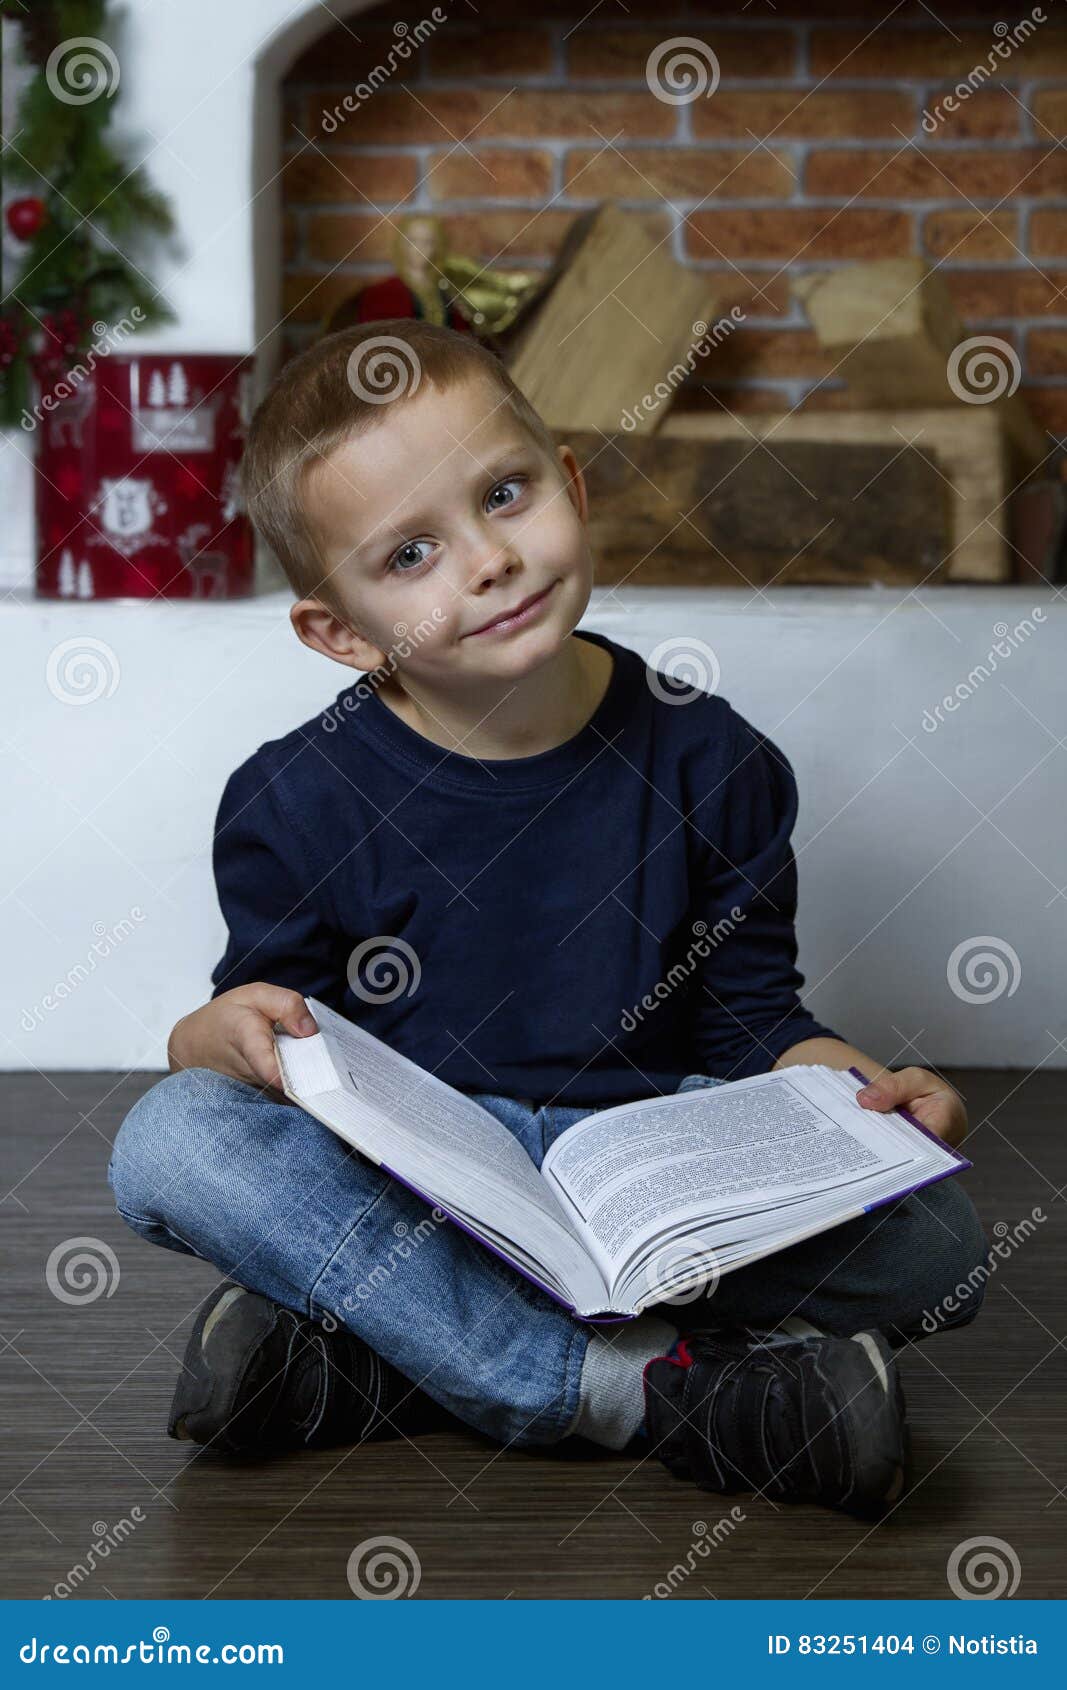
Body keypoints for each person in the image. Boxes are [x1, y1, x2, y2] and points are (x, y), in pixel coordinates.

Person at [108, 320, 988, 1519]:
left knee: (938, 1237)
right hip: (427, 1179)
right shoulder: (291, 798)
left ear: (569, 483)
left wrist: (861, 1102)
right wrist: (205, 1036)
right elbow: (275, 1047)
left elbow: (750, 1024)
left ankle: (377, 1356)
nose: (488, 560)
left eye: (503, 494)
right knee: (172, 1140)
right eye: (410, 552)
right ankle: (648, 1392)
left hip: (651, 1168)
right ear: (340, 631)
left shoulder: (715, 760)